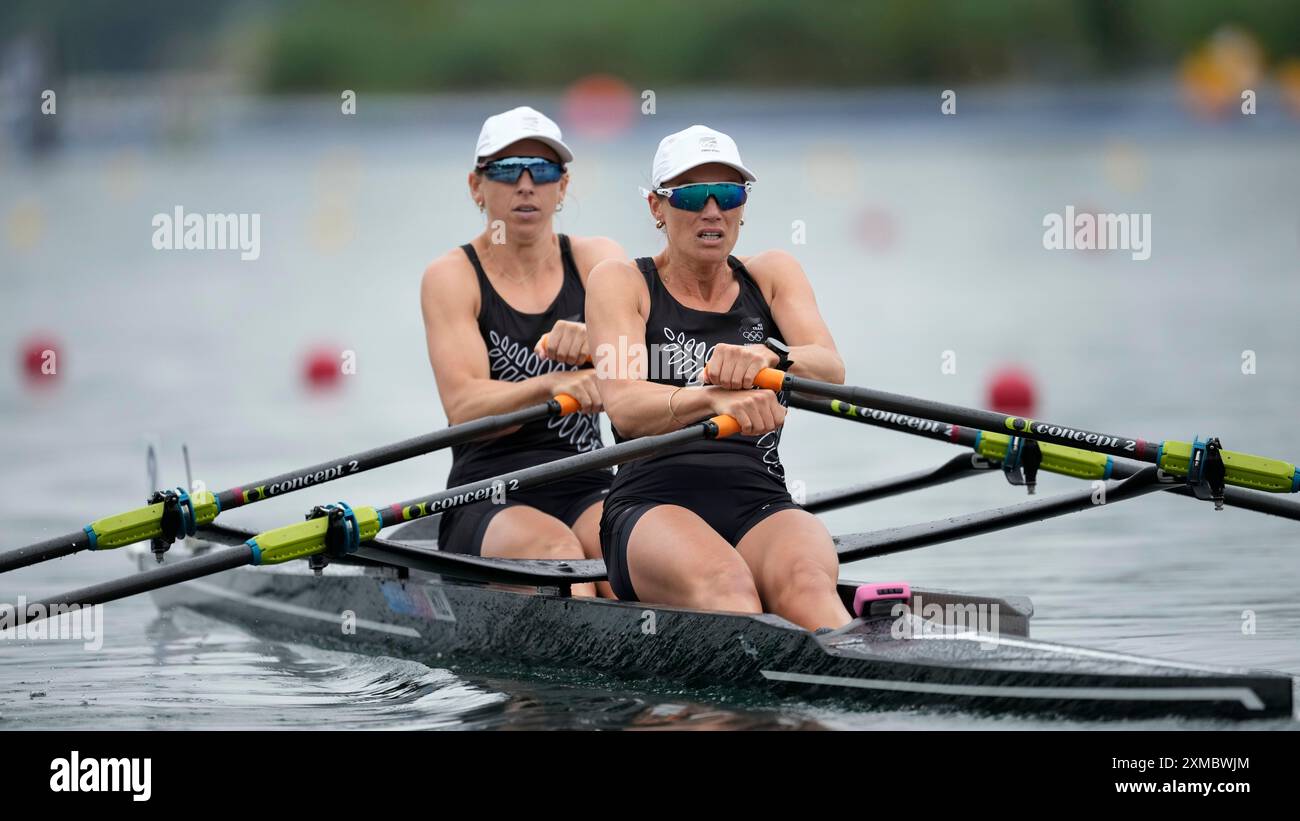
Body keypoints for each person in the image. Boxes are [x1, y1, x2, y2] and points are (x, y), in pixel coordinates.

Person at [586, 125, 852, 629]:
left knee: (811, 589)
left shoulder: (772, 274)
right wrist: (711, 400)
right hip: (651, 505)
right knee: (728, 589)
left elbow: (831, 369)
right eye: (689, 195)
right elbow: (622, 403)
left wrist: (772, 358)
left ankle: (853, 689)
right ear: (656, 208)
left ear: (742, 206)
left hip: (760, 498)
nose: (712, 210)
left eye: (728, 194)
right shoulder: (622, 282)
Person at [420, 106, 624, 597]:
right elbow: (464, 406)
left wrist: (598, 347)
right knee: (558, 558)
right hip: (488, 493)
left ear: (563, 185)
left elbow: (644, 368)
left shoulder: (600, 261)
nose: (527, 184)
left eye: (544, 169)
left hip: (586, 480)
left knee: (624, 557)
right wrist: (554, 383)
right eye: (508, 170)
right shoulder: (452, 276)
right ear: (476, 186)